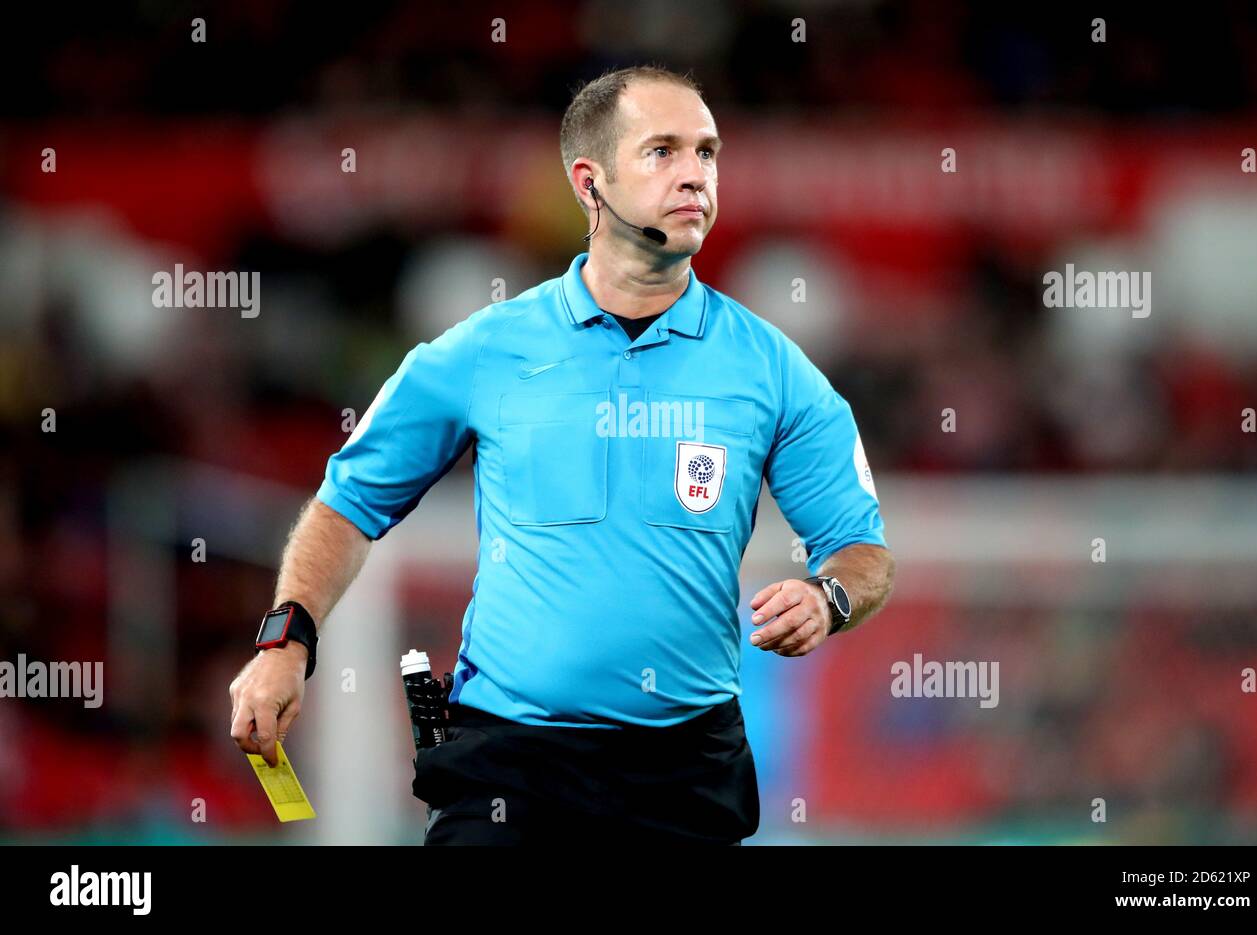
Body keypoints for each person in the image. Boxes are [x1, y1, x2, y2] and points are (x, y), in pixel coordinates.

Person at [229, 65, 896, 845]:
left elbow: (863, 552)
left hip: (685, 772)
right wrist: (286, 642)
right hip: (509, 764)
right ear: (590, 182)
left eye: (707, 153)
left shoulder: (773, 370)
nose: (695, 175)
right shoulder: (484, 350)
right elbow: (347, 503)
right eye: (662, 151)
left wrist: (828, 599)